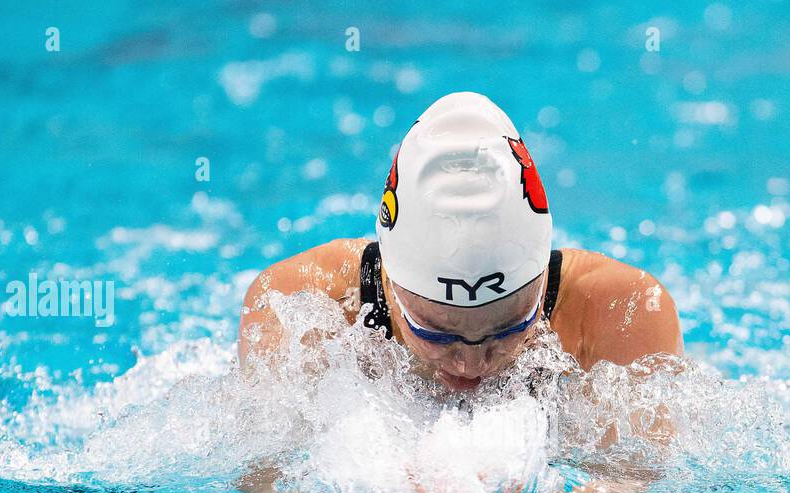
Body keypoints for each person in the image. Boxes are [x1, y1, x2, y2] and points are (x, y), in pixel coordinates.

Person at [239, 91, 682, 392]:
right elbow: (268, 487)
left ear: (542, 280)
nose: (472, 366)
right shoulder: (302, 304)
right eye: (437, 332)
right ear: (391, 283)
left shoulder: (623, 311)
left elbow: (640, 491)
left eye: (507, 329)